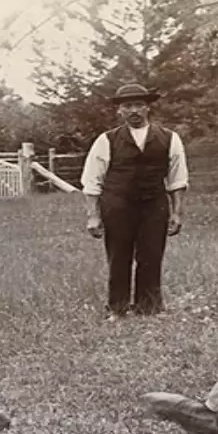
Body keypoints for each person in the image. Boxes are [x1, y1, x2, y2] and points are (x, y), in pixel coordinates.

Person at [80, 83, 189, 319]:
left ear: (148, 107)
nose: (134, 111)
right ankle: (117, 309)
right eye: (127, 106)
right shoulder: (106, 140)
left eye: (139, 105)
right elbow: (92, 180)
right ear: (119, 111)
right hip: (118, 204)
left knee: (151, 255)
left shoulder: (169, 138)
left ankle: (149, 308)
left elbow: (177, 179)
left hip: (154, 204)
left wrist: (177, 212)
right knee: (119, 256)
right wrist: (93, 215)